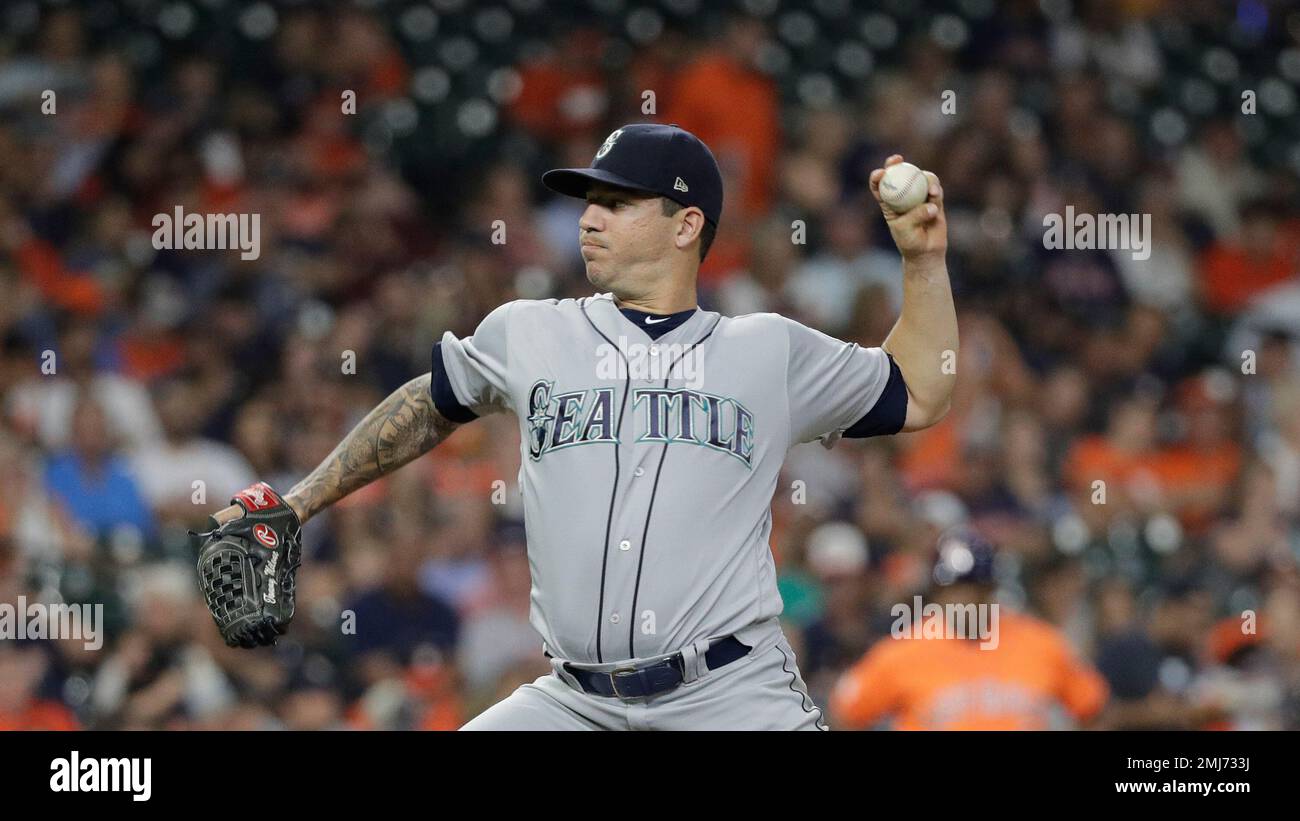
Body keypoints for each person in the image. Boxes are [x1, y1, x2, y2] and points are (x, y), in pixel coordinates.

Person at [199, 122, 958, 730]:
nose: (588, 218)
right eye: (588, 200)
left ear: (687, 222)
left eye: (618, 202)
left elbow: (921, 389)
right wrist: (297, 502)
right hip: (575, 702)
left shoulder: (766, 350)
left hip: (728, 694)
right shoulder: (528, 332)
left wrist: (921, 259)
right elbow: (427, 405)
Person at [831, 529, 1108, 730]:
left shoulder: (1041, 642)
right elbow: (844, 715)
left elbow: (1093, 708)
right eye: (955, 591)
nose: (965, 601)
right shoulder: (901, 653)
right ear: (937, 595)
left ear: (991, 591)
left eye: (976, 590)